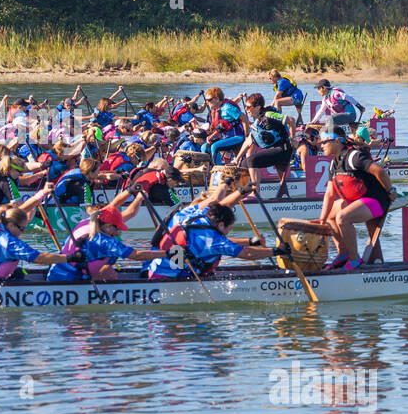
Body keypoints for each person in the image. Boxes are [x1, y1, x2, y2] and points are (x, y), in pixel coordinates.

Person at [317, 126, 395, 271]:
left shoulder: (354, 156)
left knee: (342, 217)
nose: (321, 146)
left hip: (375, 200)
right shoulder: (333, 164)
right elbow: (329, 194)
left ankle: (354, 260)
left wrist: (391, 190)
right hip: (357, 200)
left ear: (337, 141)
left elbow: (379, 171)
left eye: (324, 142)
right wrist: (322, 220)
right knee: (329, 215)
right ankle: (343, 254)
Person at [146, 201, 276, 280]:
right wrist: (276, 251)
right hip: (169, 279)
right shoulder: (214, 241)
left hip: (153, 270)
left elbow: (223, 242)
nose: (228, 232)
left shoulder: (197, 217)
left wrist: (250, 241)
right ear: (220, 225)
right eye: (229, 228)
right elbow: (248, 254)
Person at [47, 205, 161, 282]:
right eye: (116, 228)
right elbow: (137, 255)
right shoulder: (104, 242)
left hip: (54, 272)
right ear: (107, 226)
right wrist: (166, 253)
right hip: (68, 280)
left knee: (109, 267)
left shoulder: (85, 223)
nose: (117, 233)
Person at [234, 93, 294, 197]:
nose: (246, 109)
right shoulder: (258, 120)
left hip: (284, 150)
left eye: (248, 106)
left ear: (257, 107)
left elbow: (291, 120)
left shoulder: (269, 115)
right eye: (245, 106)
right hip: (274, 150)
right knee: (243, 164)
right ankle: (243, 193)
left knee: (252, 160)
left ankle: (255, 192)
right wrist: (237, 159)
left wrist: (292, 138)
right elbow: (248, 141)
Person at [203, 87, 246, 164]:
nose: (207, 102)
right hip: (226, 137)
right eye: (206, 100)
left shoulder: (227, 108)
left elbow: (244, 118)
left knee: (215, 147)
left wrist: (246, 136)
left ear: (216, 99)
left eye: (209, 100)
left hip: (237, 137)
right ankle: (208, 169)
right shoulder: (217, 109)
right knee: (205, 147)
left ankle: (216, 170)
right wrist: (212, 136)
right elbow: (222, 127)